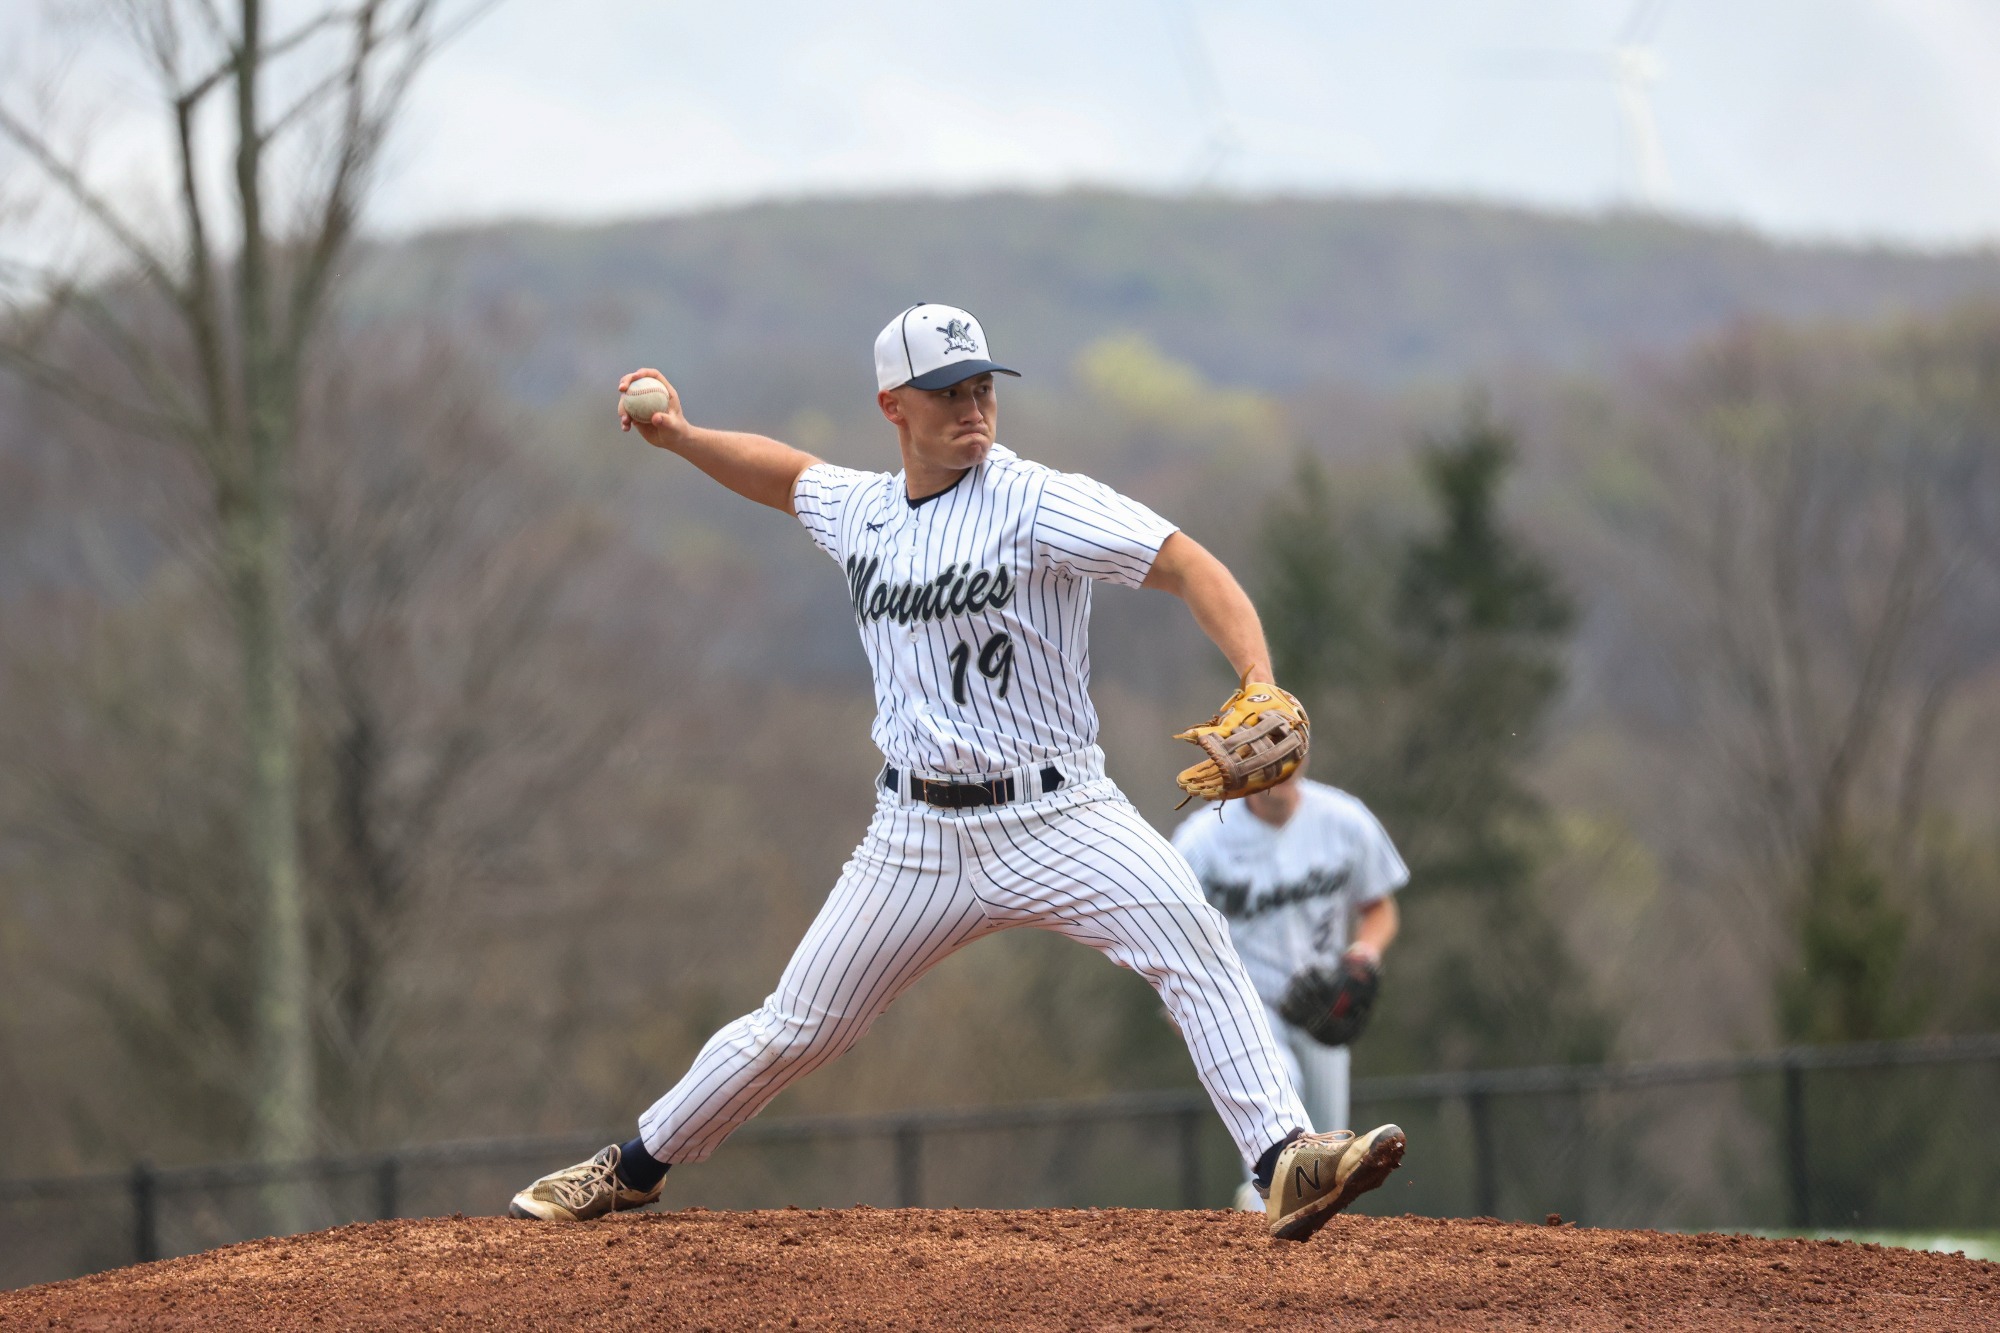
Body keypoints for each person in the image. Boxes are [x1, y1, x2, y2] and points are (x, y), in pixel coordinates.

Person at [506, 303, 1403, 1240]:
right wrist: (684, 438)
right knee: (800, 1024)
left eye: (981, 387)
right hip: (915, 838)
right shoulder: (863, 512)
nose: (973, 408)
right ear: (893, 405)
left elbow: (1187, 563)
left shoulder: (1038, 501)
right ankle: (633, 1167)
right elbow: (787, 476)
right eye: (947, 393)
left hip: (1064, 814)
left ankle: (1283, 1156)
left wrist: (1258, 677)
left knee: (1192, 938)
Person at [1171, 768, 1405, 1213]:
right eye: (1261, 748)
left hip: (1323, 1002)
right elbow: (1172, 932)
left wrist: (1362, 955)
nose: (1275, 764)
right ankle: (1262, 1209)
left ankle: (1257, 1206)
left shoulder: (1343, 820)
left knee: (1328, 1156)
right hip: (1247, 1006)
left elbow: (1380, 908)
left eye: (1285, 747)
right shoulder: (1202, 840)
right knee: (1283, 1125)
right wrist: (1187, 1008)